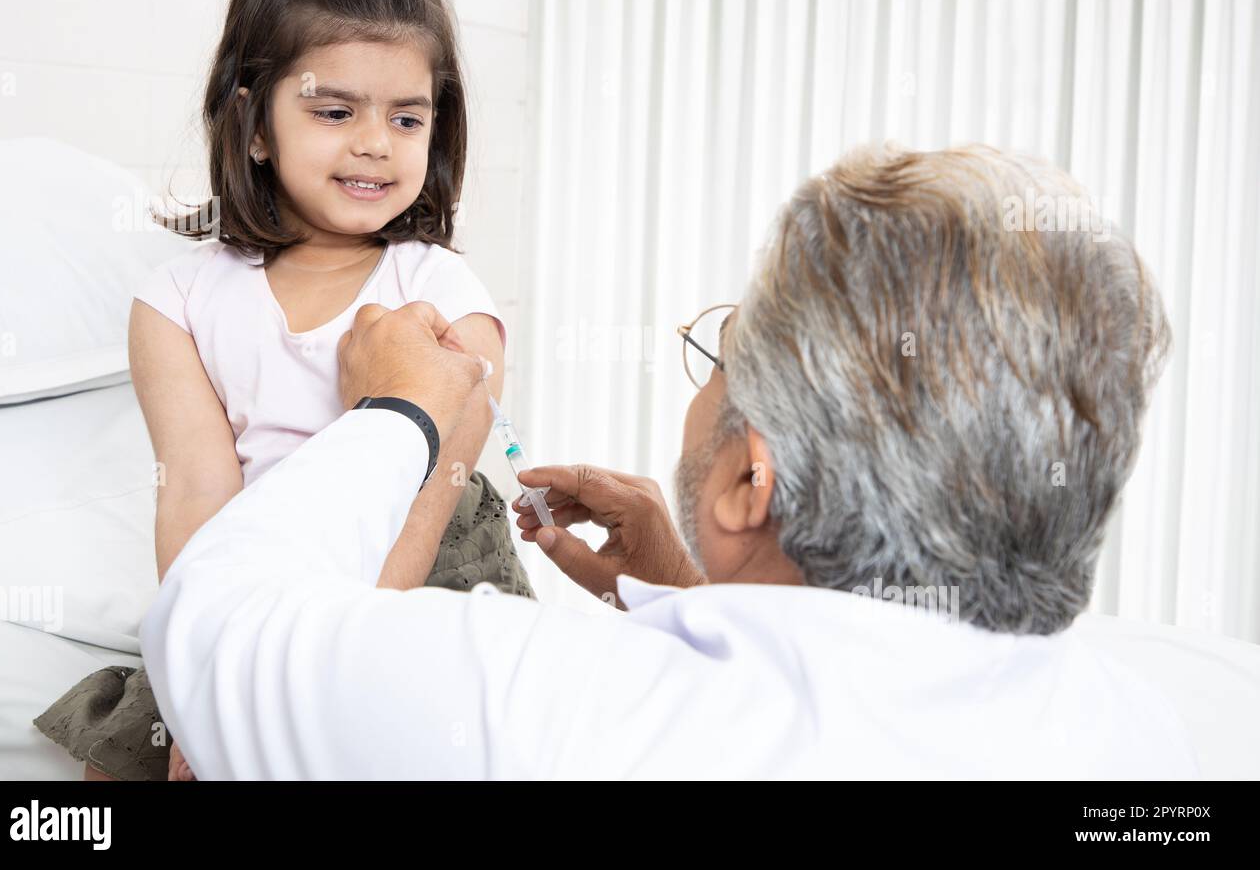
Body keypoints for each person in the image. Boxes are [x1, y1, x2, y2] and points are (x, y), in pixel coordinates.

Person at [141, 143, 1197, 778]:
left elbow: (211, 619)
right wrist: (698, 586)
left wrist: (398, 409)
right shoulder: (1186, 701)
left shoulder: (544, 711)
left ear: (749, 482)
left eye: (722, 355)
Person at [32, 0, 531, 783]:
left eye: (407, 117)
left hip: (419, 564)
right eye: (334, 111)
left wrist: (320, 675)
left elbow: (434, 489)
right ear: (254, 124)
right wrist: (210, 690)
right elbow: (195, 495)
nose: (377, 142)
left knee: (400, 731)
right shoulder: (177, 302)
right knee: (124, 764)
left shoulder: (446, 292)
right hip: (265, 563)